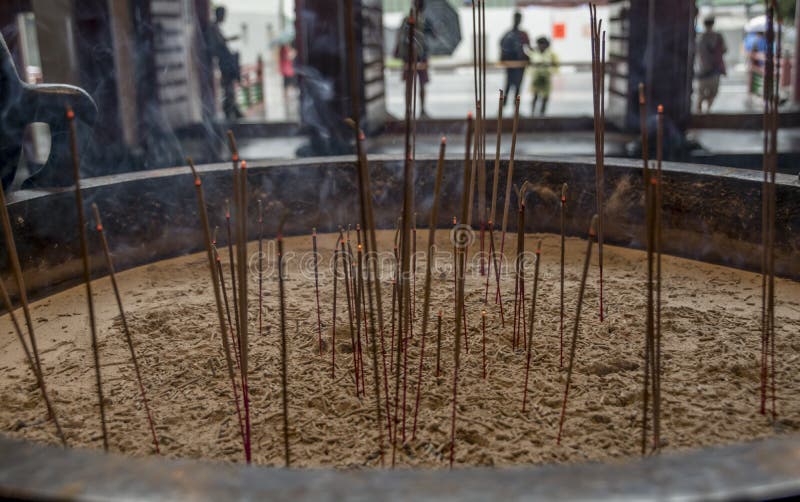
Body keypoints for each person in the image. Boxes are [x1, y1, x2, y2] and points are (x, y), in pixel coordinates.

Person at [395, 0, 432, 118]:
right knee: (412, 84)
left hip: (415, 56)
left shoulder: (421, 21)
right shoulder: (413, 20)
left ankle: (413, 110)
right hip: (411, 56)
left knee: (415, 85)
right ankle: (411, 110)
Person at [207, 6, 243, 120]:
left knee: (230, 86)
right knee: (228, 86)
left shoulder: (216, 28)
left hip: (225, 60)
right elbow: (218, 44)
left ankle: (232, 108)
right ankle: (229, 109)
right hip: (224, 61)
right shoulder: (213, 28)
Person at [695, 16, 727, 113]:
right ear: (713, 24)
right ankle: (707, 111)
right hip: (715, 70)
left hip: (702, 69)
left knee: (701, 93)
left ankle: (699, 113)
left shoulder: (699, 37)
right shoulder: (718, 37)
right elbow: (725, 50)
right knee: (713, 93)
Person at [499, 12, 531, 106]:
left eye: (519, 19)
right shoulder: (508, 34)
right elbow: (502, 45)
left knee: (517, 88)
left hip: (520, 65)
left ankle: (516, 109)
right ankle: (502, 108)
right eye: (516, 18)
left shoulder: (523, 34)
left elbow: (528, 47)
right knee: (508, 86)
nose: (517, 21)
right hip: (511, 65)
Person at [530, 36, 558, 116]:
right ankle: (532, 113)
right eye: (540, 44)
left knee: (545, 97)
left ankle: (542, 113)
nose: (541, 46)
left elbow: (555, 65)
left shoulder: (551, 54)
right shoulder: (534, 53)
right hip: (536, 77)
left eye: (543, 44)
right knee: (535, 95)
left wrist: (551, 70)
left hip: (546, 77)